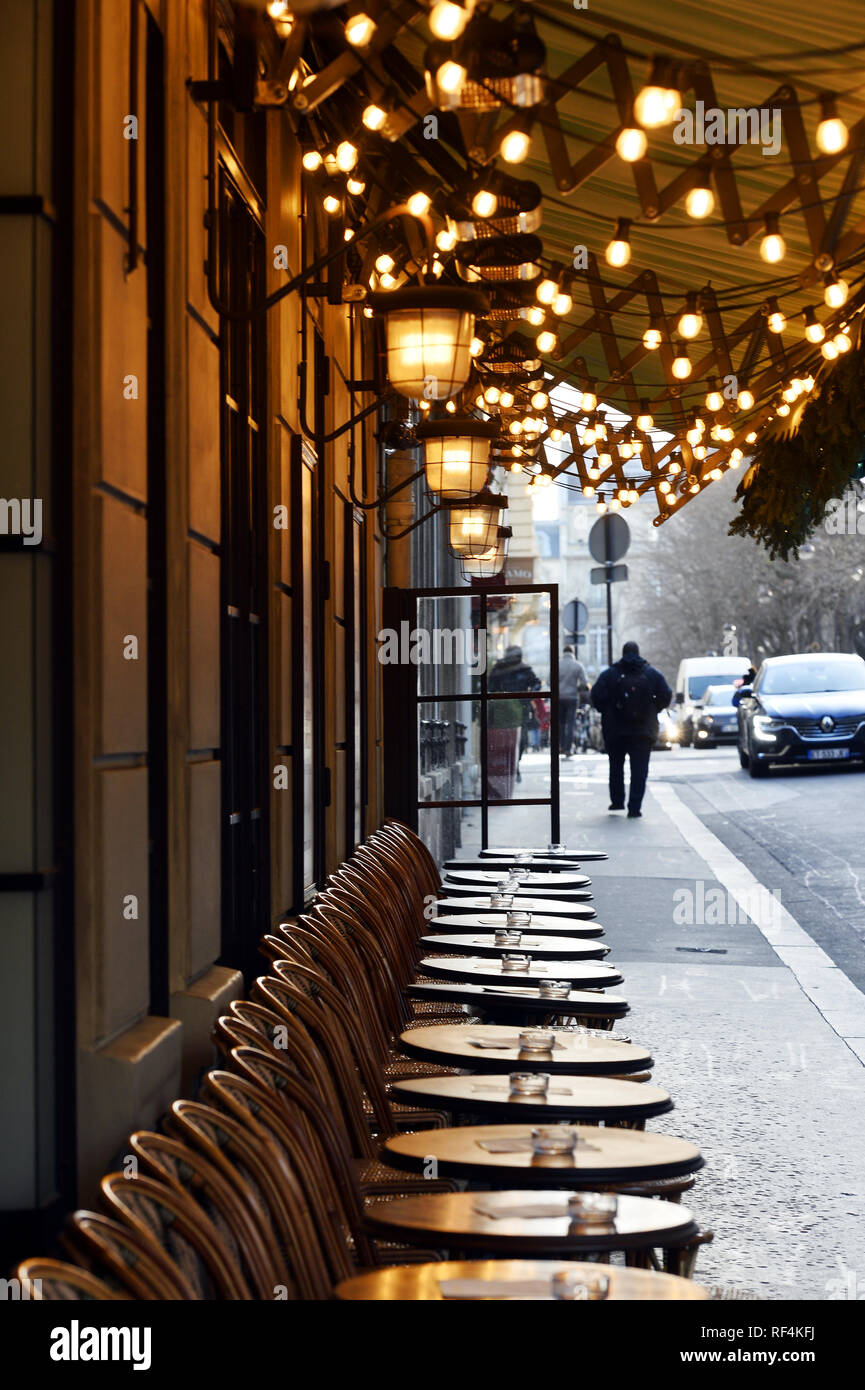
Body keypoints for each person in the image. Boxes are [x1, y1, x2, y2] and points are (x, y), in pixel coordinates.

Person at [590, 641, 672, 818]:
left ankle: (617, 801)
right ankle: (635, 807)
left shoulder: (610, 674)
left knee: (616, 766)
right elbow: (666, 695)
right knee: (640, 770)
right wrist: (653, 709)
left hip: (616, 730)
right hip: (643, 730)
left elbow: (595, 696)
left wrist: (608, 710)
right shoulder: (651, 674)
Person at [487, 645, 541, 792]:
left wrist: (529, 694)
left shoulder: (524, 669)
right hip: (503, 709)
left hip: (520, 709)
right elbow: (490, 687)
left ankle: (515, 765)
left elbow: (536, 683)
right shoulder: (499, 669)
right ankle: (508, 767)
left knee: (521, 740)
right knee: (504, 740)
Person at [559, 645, 589, 758]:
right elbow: (584, 683)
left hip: (559, 697)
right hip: (572, 697)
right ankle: (568, 748)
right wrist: (577, 689)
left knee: (561, 723)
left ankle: (561, 745)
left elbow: (549, 680)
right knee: (570, 723)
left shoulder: (558, 664)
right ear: (573, 653)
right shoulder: (577, 665)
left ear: (563, 652)